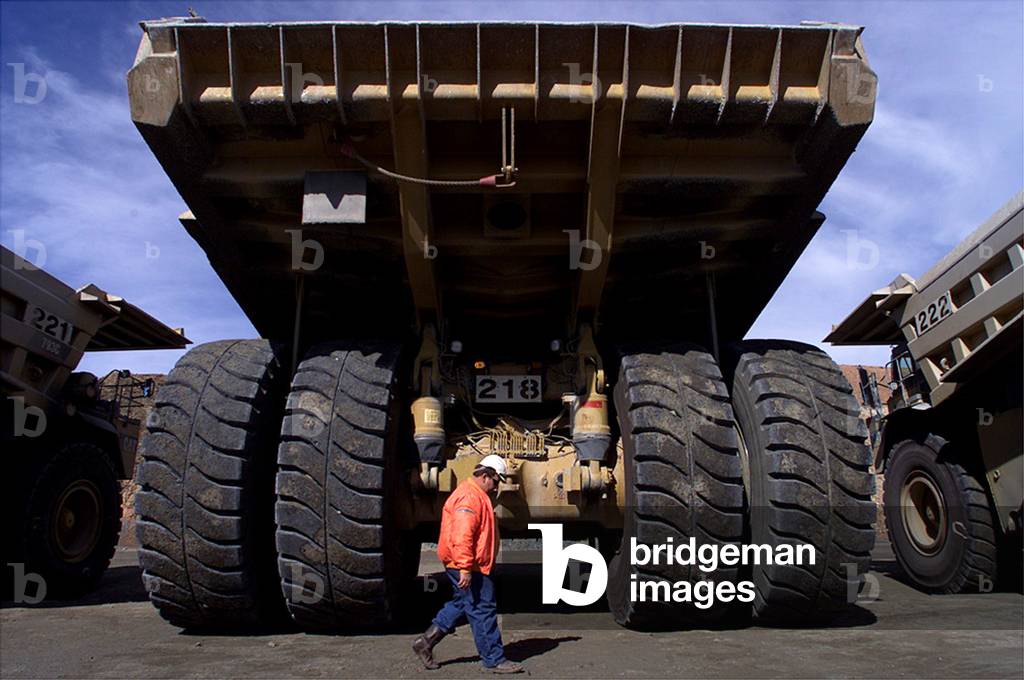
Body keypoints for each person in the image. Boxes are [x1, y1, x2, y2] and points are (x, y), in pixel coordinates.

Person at [412, 454, 523, 674]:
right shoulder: (469, 497)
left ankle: (425, 642)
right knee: (483, 608)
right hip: (469, 564)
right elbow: (463, 535)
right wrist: (465, 568)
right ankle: (494, 659)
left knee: (462, 603)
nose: (496, 486)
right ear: (484, 475)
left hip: (468, 562)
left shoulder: (475, 494)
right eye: (495, 481)